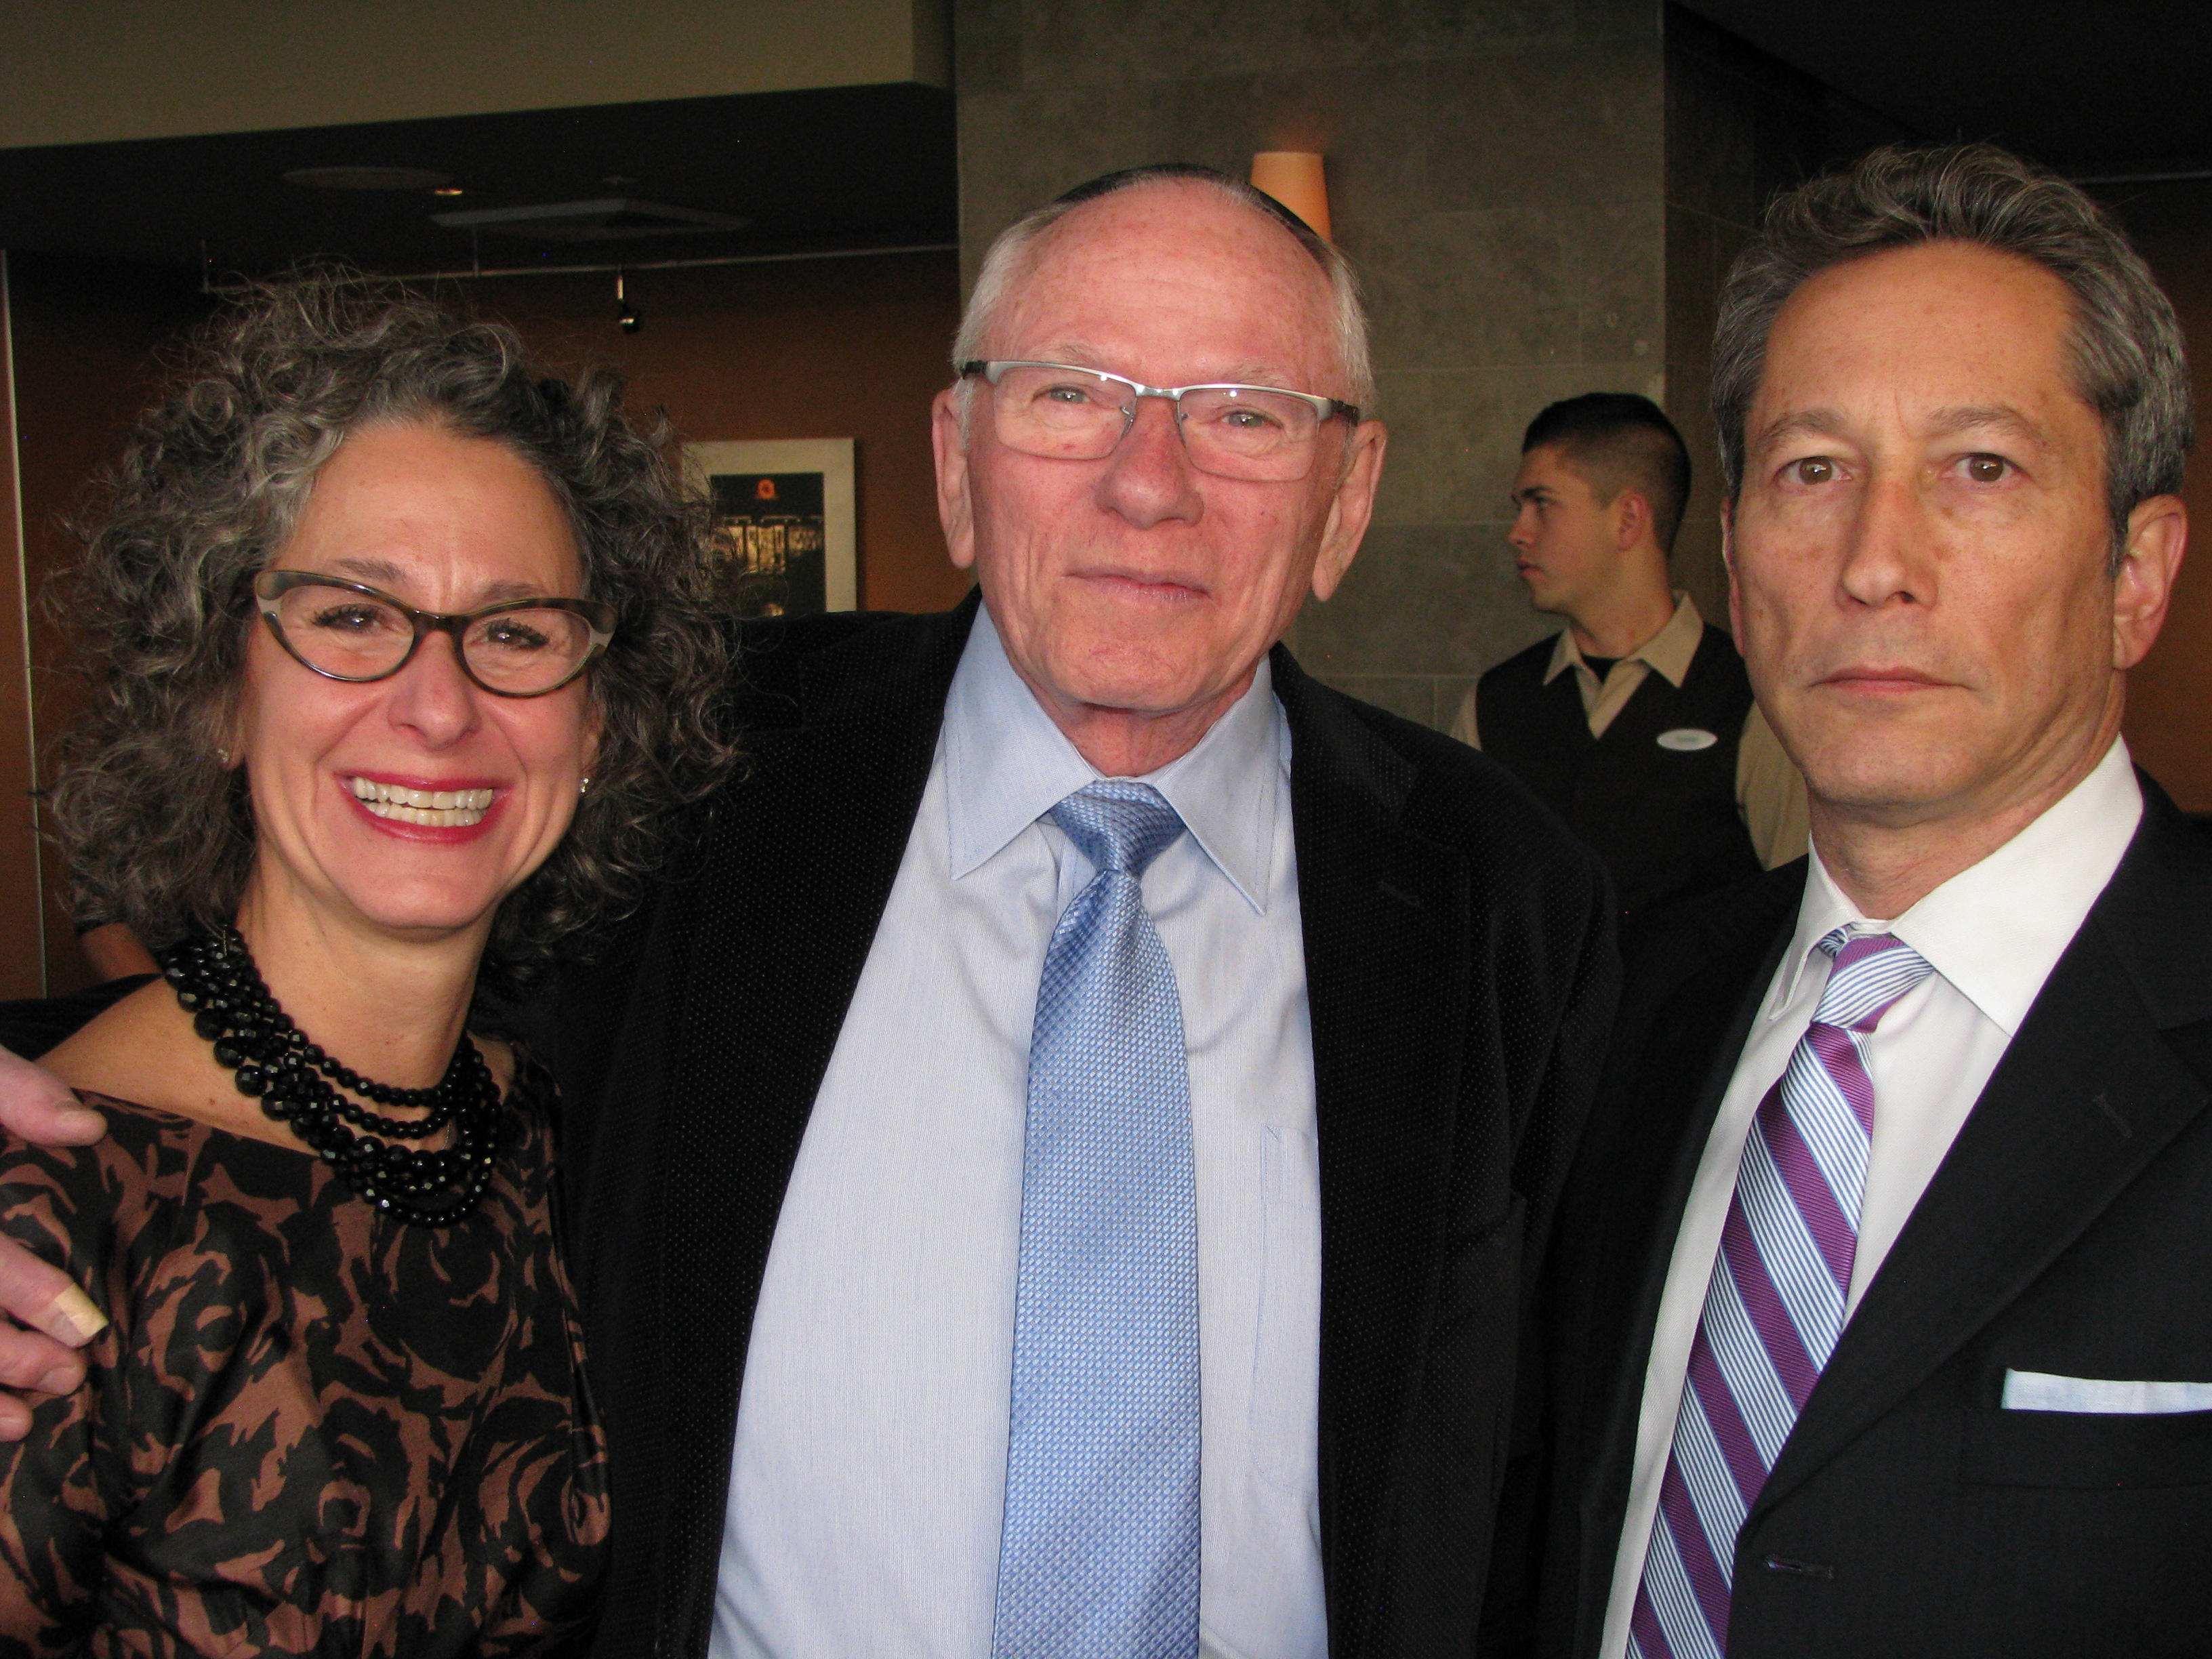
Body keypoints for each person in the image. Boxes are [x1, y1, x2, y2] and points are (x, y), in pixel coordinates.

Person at [0, 165, 1617, 1658]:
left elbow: (1556, 1469)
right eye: (1071, 396)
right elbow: (333, 1011)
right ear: (955, 465)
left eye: (1244, 415)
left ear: (1347, 493)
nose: (1150, 484)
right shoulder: (686, 776)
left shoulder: (1504, 898)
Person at [1530, 144, 2203, 1659]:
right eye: (1812, 472)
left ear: (2136, 574)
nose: (1874, 562)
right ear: (1737, 554)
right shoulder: (1629, 1009)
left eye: (1981, 468)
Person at [0, 279, 733, 1650]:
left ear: (596, 728)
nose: (440, 706)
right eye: (350, 616)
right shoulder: (52, 1214)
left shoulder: (562, 1139)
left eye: (516, 633)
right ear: (218, 688)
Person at [1451, 394, 1806, 913]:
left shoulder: (1754, 699)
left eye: (1542, 503)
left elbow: (1802, 916)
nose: (1518, 533)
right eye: (1519, 508)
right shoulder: (1494, 704)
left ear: (1628, 519)